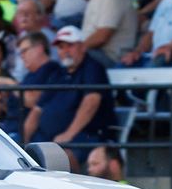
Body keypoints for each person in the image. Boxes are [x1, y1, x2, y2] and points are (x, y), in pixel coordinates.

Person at [30, 27, 117, 179]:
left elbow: (91, 102)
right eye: (61, 47)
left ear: (82, 46)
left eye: (70, 45)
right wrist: (21, 140)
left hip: (88, 135)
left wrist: (69, 134)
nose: (65, 51)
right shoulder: (58, 73)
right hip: (49, 137)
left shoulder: (92, 68)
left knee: (63, 156)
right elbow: (37, 110)